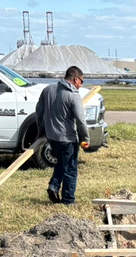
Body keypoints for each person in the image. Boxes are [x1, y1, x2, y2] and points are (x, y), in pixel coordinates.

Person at [34, 66, 90, 205]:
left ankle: (54, 185)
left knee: (61, 162)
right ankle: (68, 200)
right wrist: (85, 138)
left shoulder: (48, 90)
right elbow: (80, 120)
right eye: (81, 81)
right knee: (70, 169)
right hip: (67, 138)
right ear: (75, 78)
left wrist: (41, 129)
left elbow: (39, 111)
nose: (81, 85)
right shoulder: (73, 95)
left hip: (52, 137)